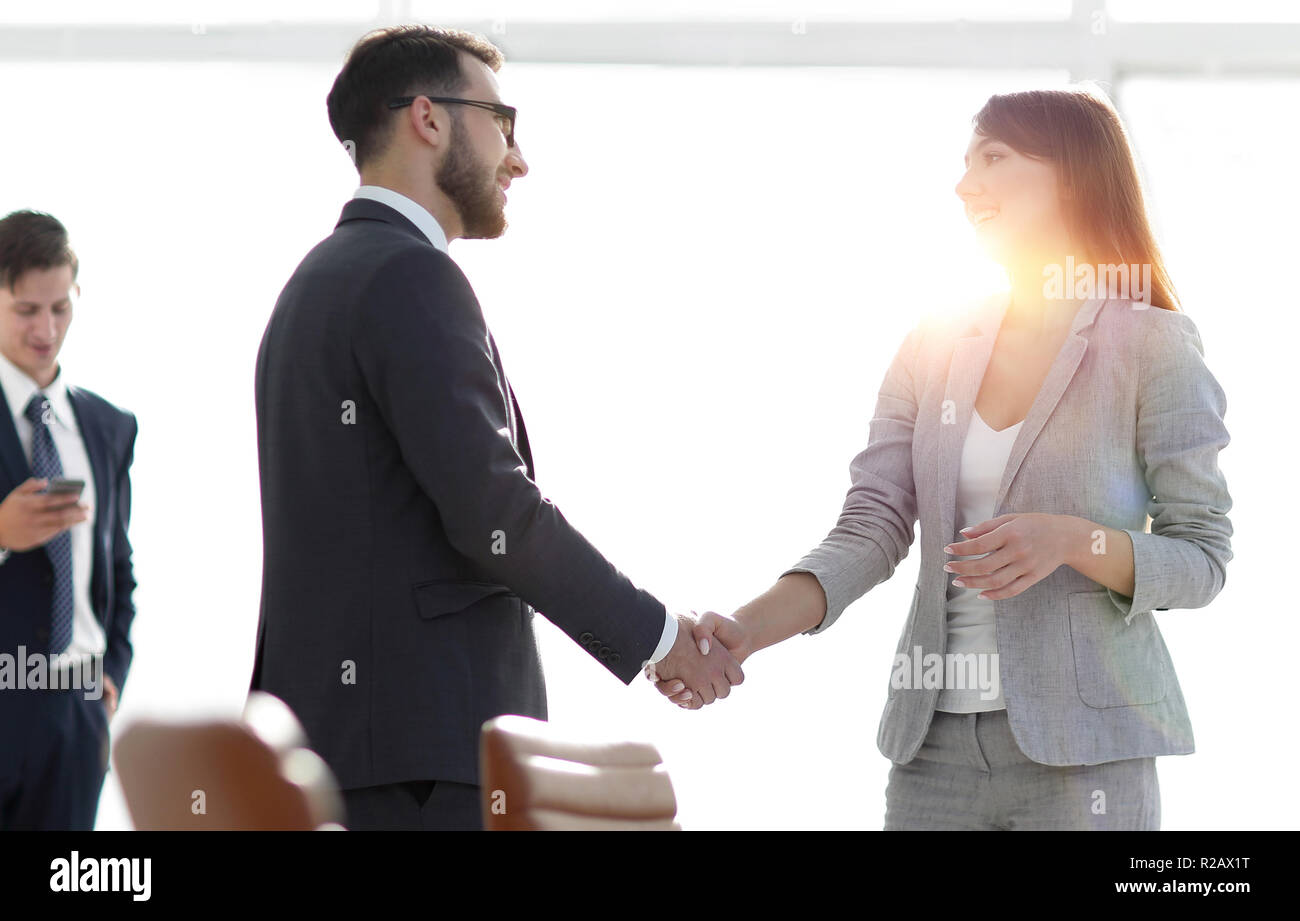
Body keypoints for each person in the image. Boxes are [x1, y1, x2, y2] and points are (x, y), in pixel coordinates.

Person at [656, 86, 1233, 830]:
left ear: (1072, 174)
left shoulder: (1154, 344)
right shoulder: (935, 340)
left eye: (993, 157)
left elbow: (1202, 556)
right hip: (933, 755)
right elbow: (872, 524)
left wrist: (1070, 540)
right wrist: (745, 629)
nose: (965, 185)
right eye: (965, 163)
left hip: (1085, 756)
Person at [249, 25, 741, 831]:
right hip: (422, 761)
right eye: (502, 121)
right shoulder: (411, 275)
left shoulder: (313, 283)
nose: (519, 158)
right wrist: (659, 637)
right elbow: (496, 516)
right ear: (428, 118)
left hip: (338, 751)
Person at [0, 210, 140, 830]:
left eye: (60, 307)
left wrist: (110, 680)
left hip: (77, 715)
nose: (46, 329)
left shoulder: (108, 426)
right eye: (27, 310)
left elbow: (118, 573)